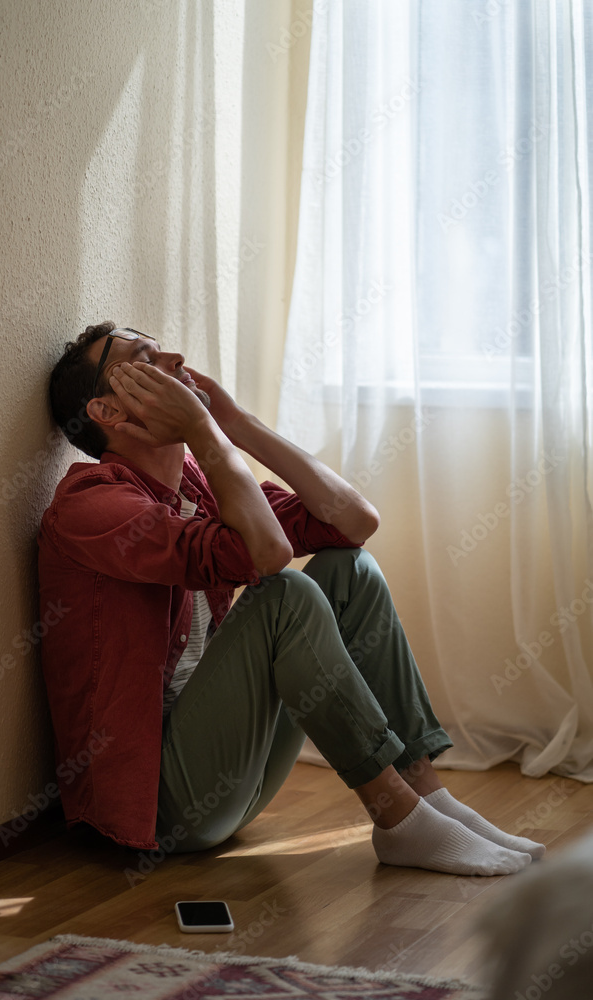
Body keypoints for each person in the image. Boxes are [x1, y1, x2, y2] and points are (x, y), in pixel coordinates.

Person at [38, 321, 546, 876]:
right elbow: (269, 557)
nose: (176, 358)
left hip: (234, 775)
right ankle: (400, 819)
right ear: (107, 413)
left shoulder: (200, 485)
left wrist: (234, 423)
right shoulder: (90, 505)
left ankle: (426, 799)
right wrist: (208, 436)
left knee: (348, 568)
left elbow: (354, 521)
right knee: (286, 593)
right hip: (165, 807)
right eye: (145, 359)